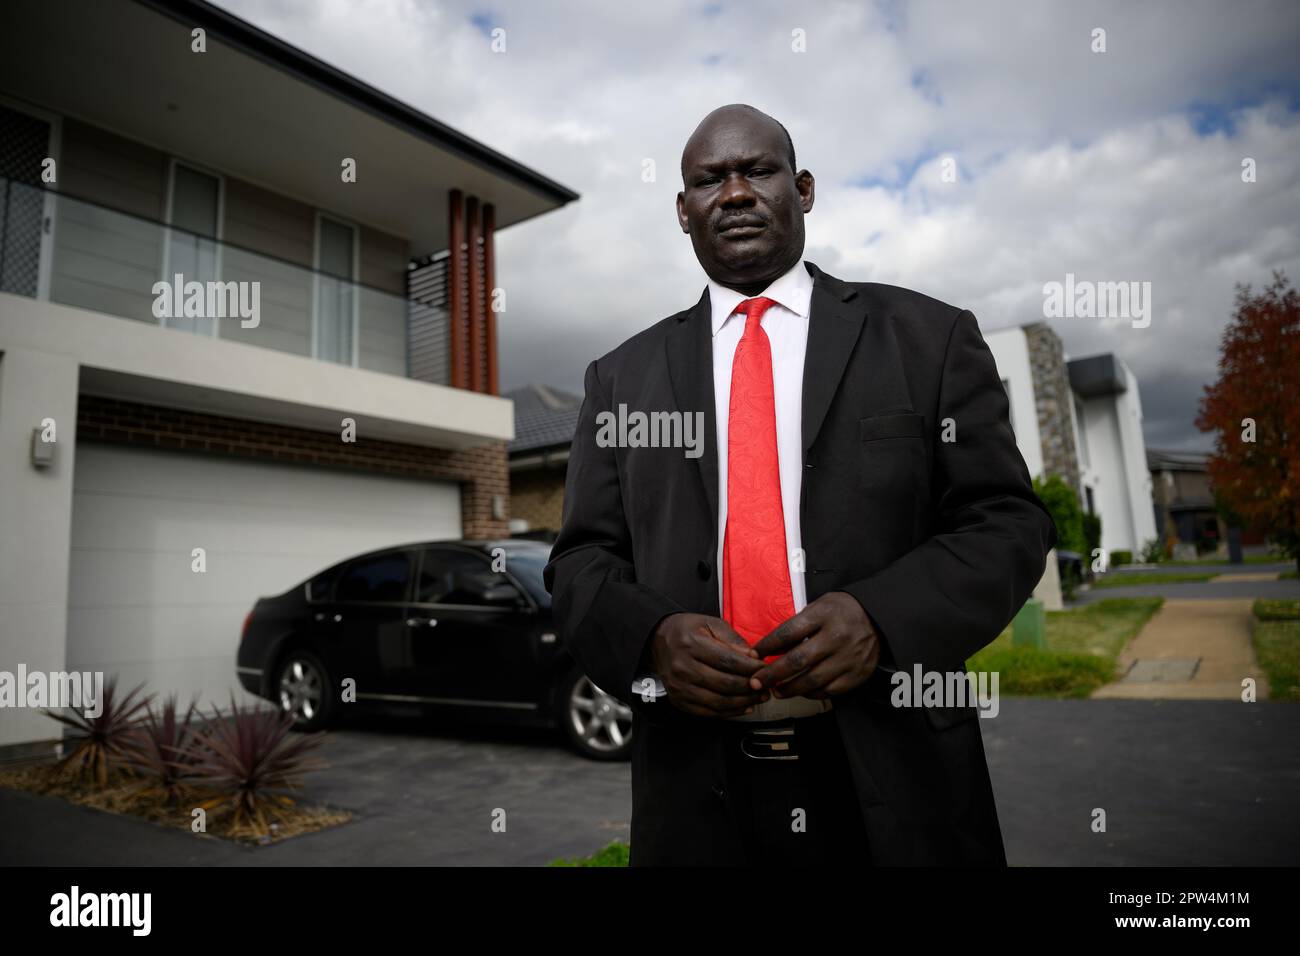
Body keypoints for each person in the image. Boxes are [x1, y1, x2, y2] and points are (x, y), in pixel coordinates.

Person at [543, 103, 1056, 866]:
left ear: (804, 188)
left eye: (758, 169)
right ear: (683, 212)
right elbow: (581, 563)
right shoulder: (620, 379)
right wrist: (650, 641)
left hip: (897, 779)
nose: (736, 192)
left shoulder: (927, 338)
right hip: (696, 793)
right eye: (710, 180)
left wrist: (881, 618)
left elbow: (1006, 524)